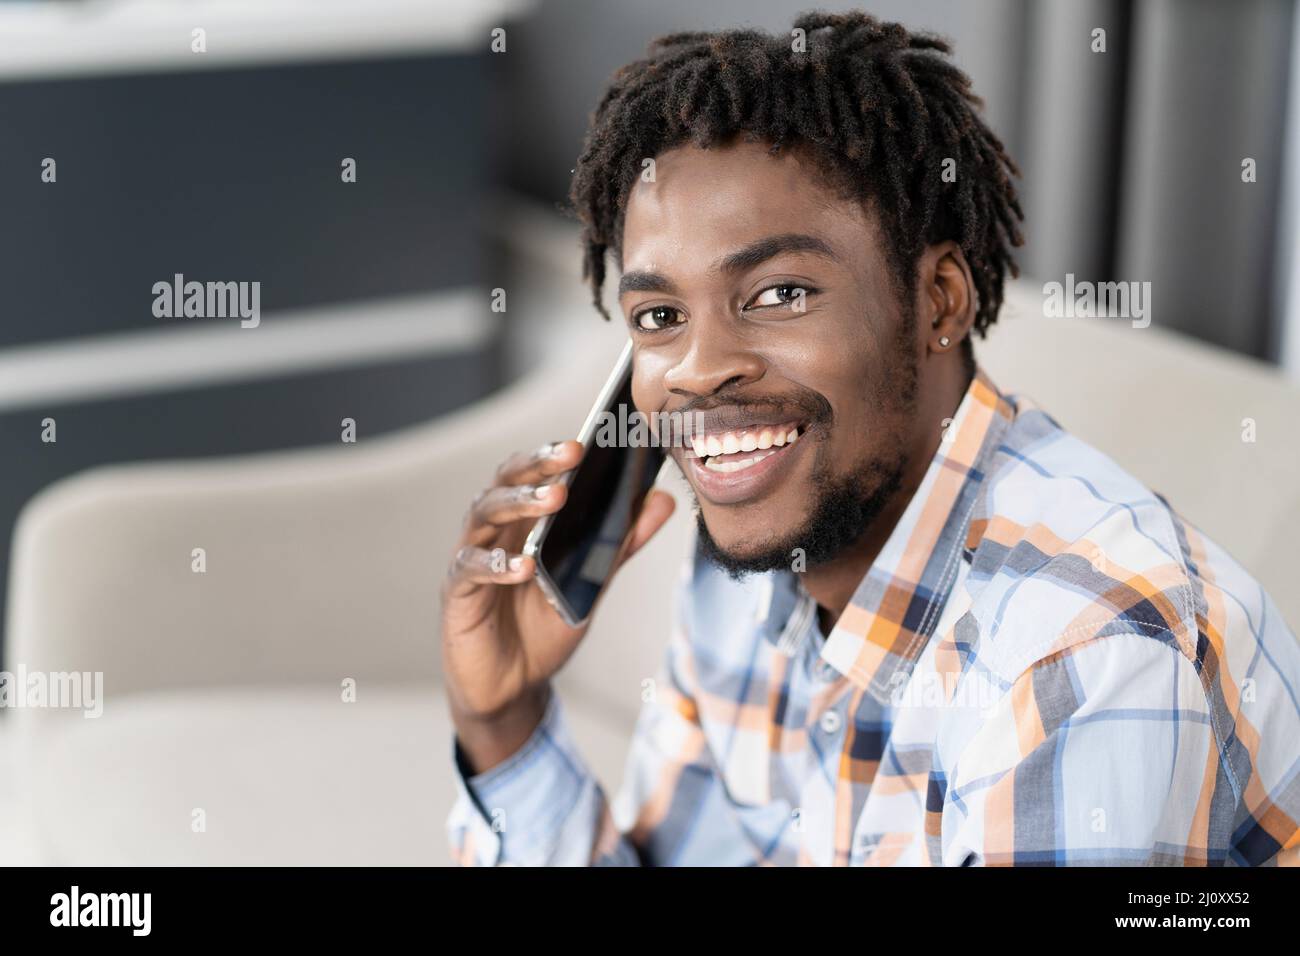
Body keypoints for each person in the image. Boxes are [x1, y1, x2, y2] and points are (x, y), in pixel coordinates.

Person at [440, 10, 1299, 866]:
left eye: (779, 294)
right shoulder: (747, 562)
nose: (697, 371)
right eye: (660, 316)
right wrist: (502, 721)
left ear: (939, 300)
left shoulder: (1082, 654)